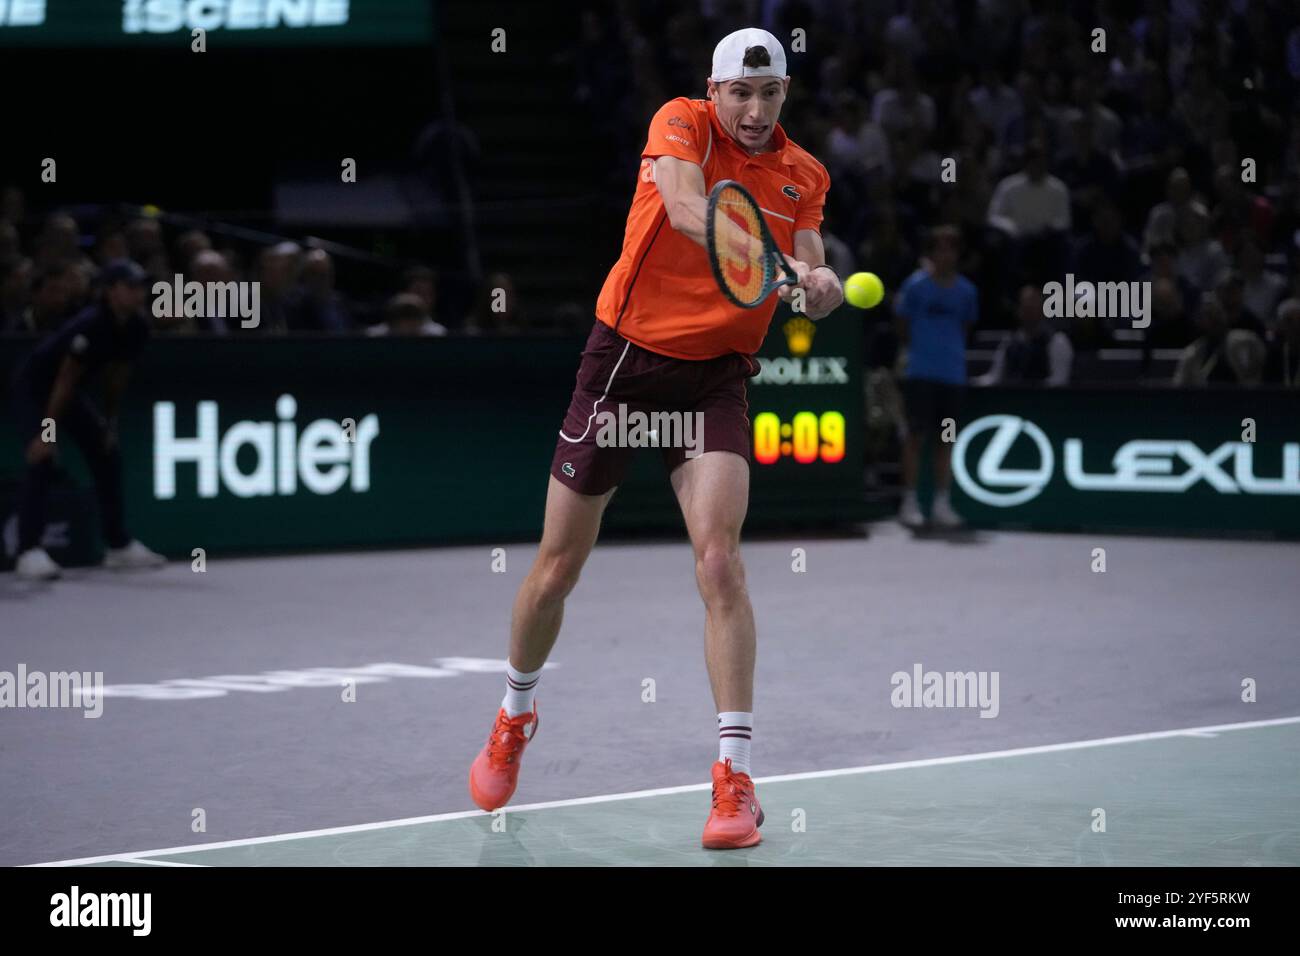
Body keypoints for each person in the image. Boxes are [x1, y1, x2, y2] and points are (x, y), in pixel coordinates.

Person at [466, 28, 840, 850]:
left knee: (719, 562)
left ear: (785, 94)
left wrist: (817, 285)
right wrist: (778, 262)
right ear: (713, 89)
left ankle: (733, 783)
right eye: (738, 94)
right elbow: (682, 207)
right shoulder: (680, 122)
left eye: (768, 94)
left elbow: (807, 272)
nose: (751, 110)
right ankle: (515, 713)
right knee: (558, 567)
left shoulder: (805, 175)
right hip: (627, 362)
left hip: (717, 378)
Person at [9, 260, 166, 580]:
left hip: (66, 394)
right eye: (131, 286)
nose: (139, 293)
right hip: (35, 389)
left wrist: (109, 422)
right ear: (110, 291)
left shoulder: (137, 327)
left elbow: (116, 377)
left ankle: (118, 546)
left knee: (107, 454)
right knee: (43, 459)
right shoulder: (91, 324)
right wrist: (47, 433)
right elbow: (64, 379)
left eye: (141, 287)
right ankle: (29, 552)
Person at [894, 225, 978, 529]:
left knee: (945, 441)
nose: (946, 254)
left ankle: (942, 503)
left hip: (952, 377)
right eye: (940, 247)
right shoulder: (915, 287)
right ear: (931, 253)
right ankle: (911, 502)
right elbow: (902, 328)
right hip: (920, 376)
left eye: (951, 248)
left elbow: (965, 330)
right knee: (915, 439)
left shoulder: (967, 291)